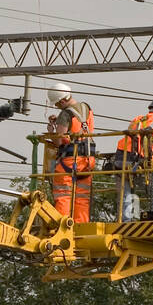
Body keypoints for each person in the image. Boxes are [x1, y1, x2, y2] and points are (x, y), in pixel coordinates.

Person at [48, 83, 96, 224]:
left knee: (63, 195)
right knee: (82, 197)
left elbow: (58, 142)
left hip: (69, 161)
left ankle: (60, 226)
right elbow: (78, 127)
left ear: (62, 101)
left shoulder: (65, 114)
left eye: (57, 104)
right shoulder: (87, 108)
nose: (57, 107)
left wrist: (52, 131)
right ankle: (80, 226)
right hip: (87, 160)